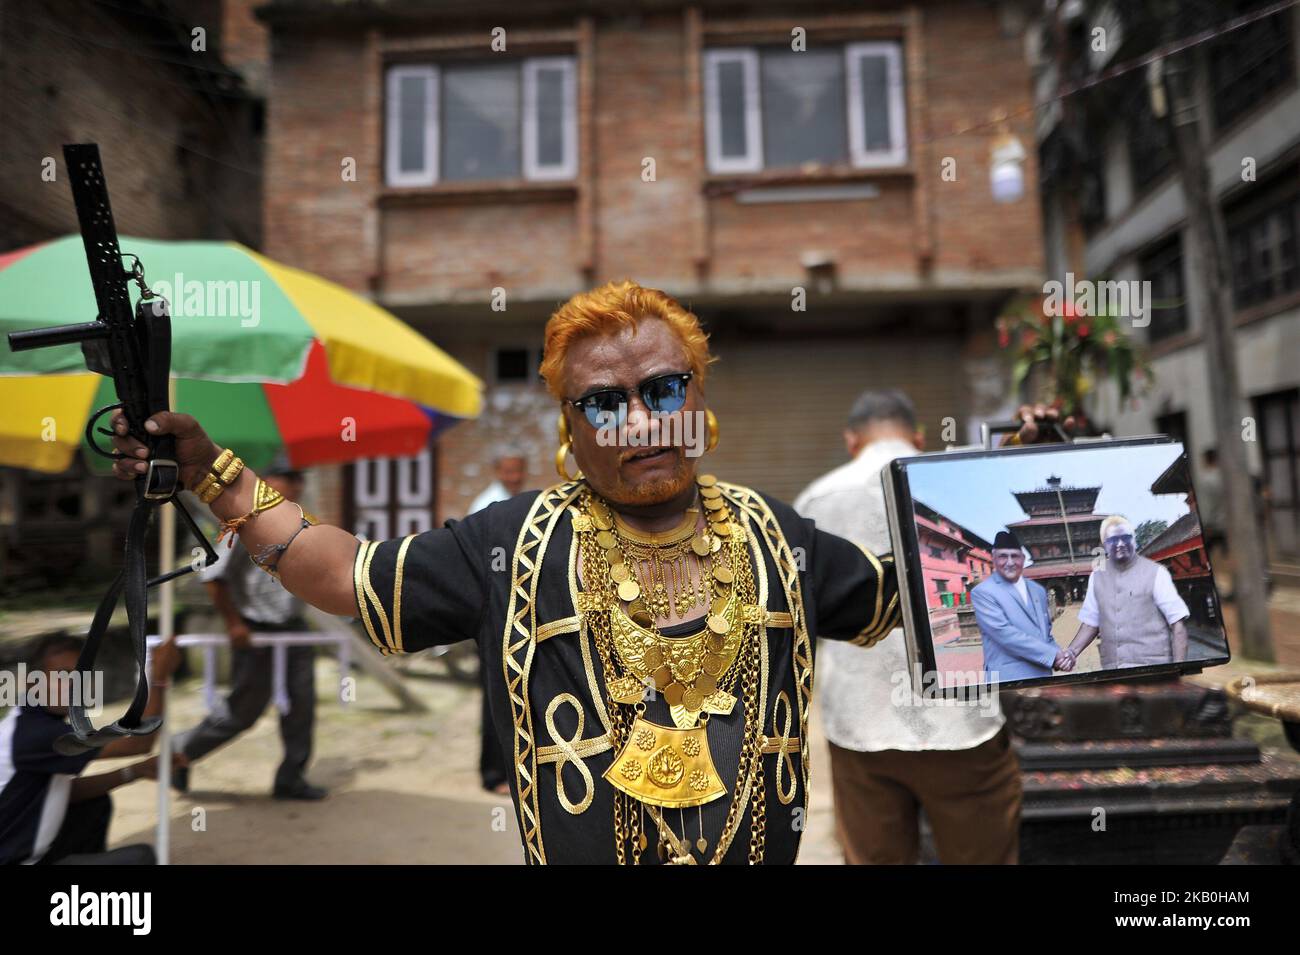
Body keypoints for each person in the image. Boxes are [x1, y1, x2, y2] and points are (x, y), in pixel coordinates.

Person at [106, 279, 904, 865]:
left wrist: (1019, 494)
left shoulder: (774, 533)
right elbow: (348, 574)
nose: (640, 419)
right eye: (604, 401)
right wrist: (218, 474)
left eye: (665, 388)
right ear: (571, 426)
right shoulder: (514, 541)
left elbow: (910, 590)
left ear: (700, 397)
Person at [794, 389, 1021, 865]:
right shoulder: (958, 486)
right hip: (963, 721)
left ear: (851, 440)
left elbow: (801, 621)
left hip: (860, 726)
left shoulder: (815, 498)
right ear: (918, 437)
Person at [169, 457, 327, 801]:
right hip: (258, 630)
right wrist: (235, 624)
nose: (296, 485)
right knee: (244, 710)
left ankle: (292, 777)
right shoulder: (245, 523)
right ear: (267, 481)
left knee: (301, 706)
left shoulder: (302, 522)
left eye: (298, 478)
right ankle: (180, 752)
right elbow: (214, 578)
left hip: (293, 628)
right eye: (288, 478)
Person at [0, 633, 183, 864]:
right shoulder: (35, 734)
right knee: (140, 859)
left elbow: (64, 793)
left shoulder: (32, 719)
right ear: (33, 683)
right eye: (63, 676)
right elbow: (138, 742)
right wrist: (159, 678)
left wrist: (135, 772)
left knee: (93, 804)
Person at [468, 447, 529, 795]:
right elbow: (486, 570)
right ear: (497, 470)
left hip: (515, 612)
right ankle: (493, 774)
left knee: (515, 694)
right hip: (493, 613)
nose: (513, 477)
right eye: (508, 471)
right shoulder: (487, 507)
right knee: (496, 693)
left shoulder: (520, 503)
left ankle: (513, 768)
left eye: (518, 471)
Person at [1058, 516, 1190, 671]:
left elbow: (1177, 624)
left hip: (1154, 666)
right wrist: (1072, 652)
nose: (1120, 544)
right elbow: (1091, 622)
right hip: (1114, 668)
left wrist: (1179, 669)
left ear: (1134, 540)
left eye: (1125, 538)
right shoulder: (1097, 576)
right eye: (1113, 540)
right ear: (1105, 545)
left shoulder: (1156, 573)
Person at [970, 530, 1067, 682]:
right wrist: (1054, 656)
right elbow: (1005, 634)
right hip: (1008, 679)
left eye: (1014, 556)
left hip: (1043, 676)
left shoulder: (1038, 591)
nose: (1010, 562)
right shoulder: (983, 592)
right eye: (1003, 556)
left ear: (1022, 558)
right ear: (993, 558)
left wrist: (1062, 655)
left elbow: (1045, 634)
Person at [468, 448, 528, 514]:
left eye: (520, 470)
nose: (516, 477)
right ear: (497, 471)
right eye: (509, 472)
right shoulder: (484, 505)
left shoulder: (526, 499)